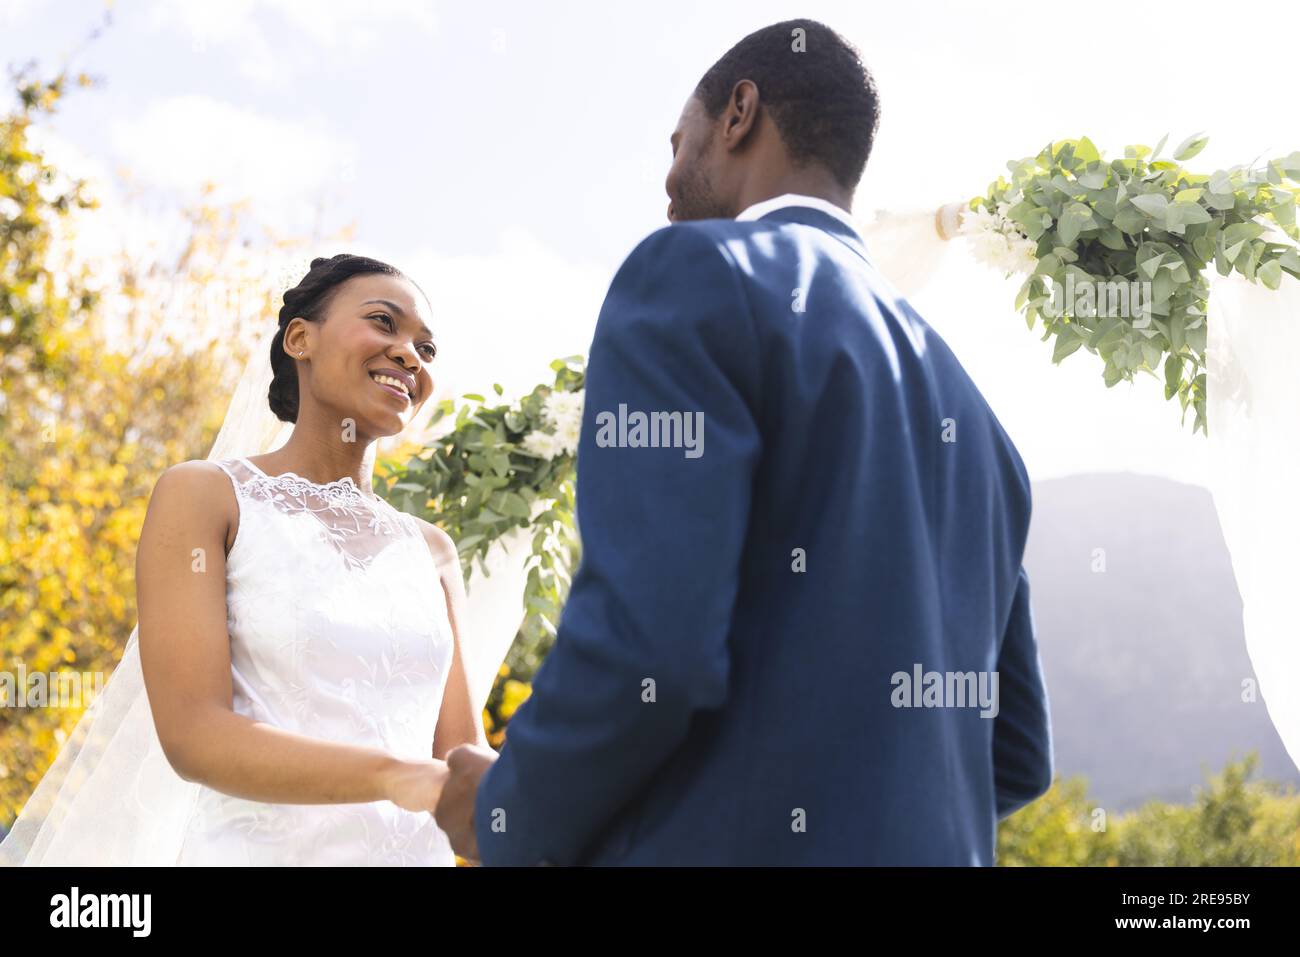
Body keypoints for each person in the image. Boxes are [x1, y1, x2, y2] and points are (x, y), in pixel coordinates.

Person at [435, 19, 1054, 865]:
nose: (666, 179)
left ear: (739, 113)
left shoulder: (694, 274)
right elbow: (1014, 754)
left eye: (677, 140)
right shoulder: (982, 424)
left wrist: (507, 804)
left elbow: (651, 647)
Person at [2, 254, 479, 865]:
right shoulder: (206, 496)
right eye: (384, 323)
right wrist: (398, 777)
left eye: (427, 349)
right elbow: (195, 734)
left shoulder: (432, 552)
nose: (411, 355)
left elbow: (462, 762)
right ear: (300, 339)